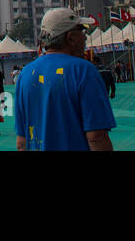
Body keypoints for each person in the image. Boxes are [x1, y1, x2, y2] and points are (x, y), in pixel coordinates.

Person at [14, 9, 115, 151]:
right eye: (82, 31)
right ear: (71, 37)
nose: (85, 37)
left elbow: (21, 142)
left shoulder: (25, 74)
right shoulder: (84, 71)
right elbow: (96, 136)